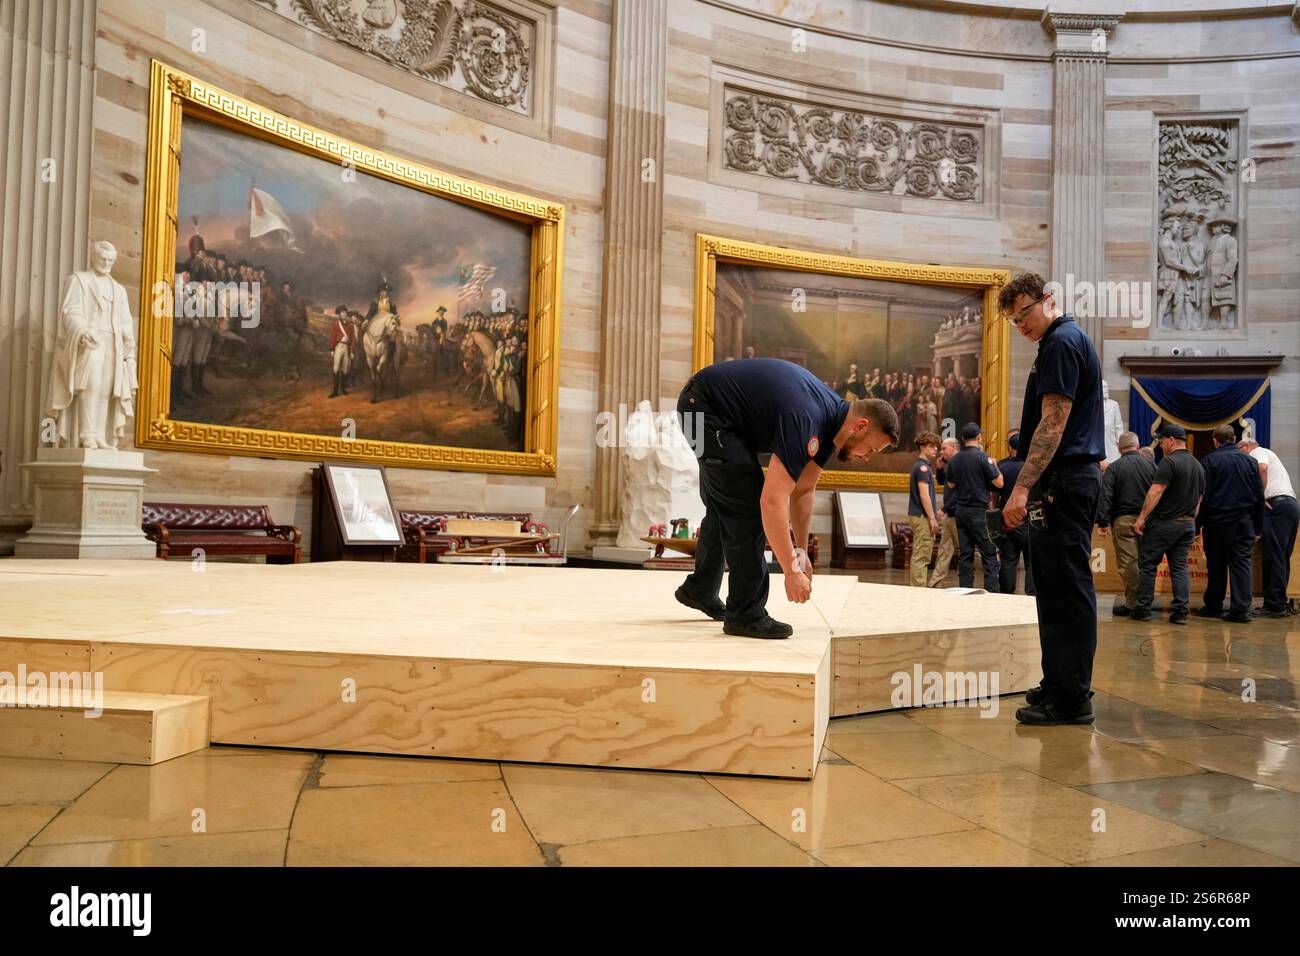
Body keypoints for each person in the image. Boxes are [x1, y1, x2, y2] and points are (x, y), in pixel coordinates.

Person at [675, 358, 898, 639]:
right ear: (861, 426)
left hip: (710, 407)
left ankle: (700, 590)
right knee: (746, 505)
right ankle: (746, 614)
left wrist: (801, 552)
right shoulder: (808, 419)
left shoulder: (830, 427)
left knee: (727, 503)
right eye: (872, 450)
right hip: (701, 409)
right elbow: (771, 501)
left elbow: (803, 491)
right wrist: (790, 571)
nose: (866, 457)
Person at [998, 272, 1105, 725]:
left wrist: (1021, 486)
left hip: (1066, 481)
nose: (1020, 326)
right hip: (1060, 482)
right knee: (1053, 588)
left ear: (1048, 300)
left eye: (1023, 315)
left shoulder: (1062, 342)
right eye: (1012, 321)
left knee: (1066, 590)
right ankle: (1059, 681)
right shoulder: (1054, 343)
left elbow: (1053, 423)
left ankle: (1072, 697)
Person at [1131, 423, 1204, 625]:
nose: (1161, 445)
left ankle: (1143, 608)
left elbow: (1156, 490)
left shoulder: (1169, 462)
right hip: (1187, 524)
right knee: (1180, 568)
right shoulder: (1198, 465)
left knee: (1147, 565)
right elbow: (1199, 500)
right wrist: (1191, 520)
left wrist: (1141, 518)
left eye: (1162, 441)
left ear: (1171, 440)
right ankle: (1180, 612)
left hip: (1164, 524)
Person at [1196, 425, 1264, 623]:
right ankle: (1241, 609)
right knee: (1241, 564)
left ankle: (1214, 606)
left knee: (1216, 564)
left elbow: (1205, 497)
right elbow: (1259, 496)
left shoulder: (1209, 461)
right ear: (1234, 438)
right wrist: (1258, 526)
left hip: (1217, 523)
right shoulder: (1251, 462)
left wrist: (1197, 524)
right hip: (1244, 522)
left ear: (1215, 441)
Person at [1096, 431, 1156, 616]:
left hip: (1123, 520)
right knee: (1144, 562)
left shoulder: (1114, 468)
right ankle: (1133, 602)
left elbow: (1106, 495)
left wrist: (1102, 521)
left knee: (1128, 563)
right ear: (1137, 446)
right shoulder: (1152, 467)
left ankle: (1141, 602)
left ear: (1119, 448)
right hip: (1149, 520)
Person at [1238, 440, 1297, 616]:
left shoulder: (1258, 452)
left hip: (1277, 507)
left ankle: (1274, 605)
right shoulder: (1269, 455)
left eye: (1241, 453)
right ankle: (1278, 601)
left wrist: (1260, 496)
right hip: (1289, 506)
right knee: (1280, 556)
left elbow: (1262, 468)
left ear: (1246, 447)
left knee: (1273, 556)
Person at [946, 423, 1003, 591]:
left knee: (965, 553)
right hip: (978, 510)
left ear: (963, 439)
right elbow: (999, 482)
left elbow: (950, 484)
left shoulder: (955, 459)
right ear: (979, 437)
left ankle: (965, 588)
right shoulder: (982, 457)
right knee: (989, 552)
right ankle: (992, 591)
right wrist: (994, 466)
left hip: (961, 510)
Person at [993, 431, 1034, 595]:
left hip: (1008, 519)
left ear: (1009, 447)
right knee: (1031, 562)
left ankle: (1007, 593)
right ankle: (1031, 596)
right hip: (1029, 519)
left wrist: (997, 514)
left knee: (1008, 560)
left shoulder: (1002, 467)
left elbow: (994, 494)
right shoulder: (1031, 468)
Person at [906, 432, 942, 588]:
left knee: (922, 553)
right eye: (931, 446)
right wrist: (932, 518)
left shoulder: (923, 466)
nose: (935, 449)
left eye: (936, 446)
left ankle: (918, 587)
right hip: (922, 516)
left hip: (920, 515)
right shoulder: (922, 468)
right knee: (921, 555)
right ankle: (918, 589)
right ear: (922, 447)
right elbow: (924, 496)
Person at [928, 437, 961, 587]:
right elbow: (942, 482)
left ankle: (993, 577)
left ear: (953, 446)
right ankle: (935, 584)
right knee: (944, 550)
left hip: (959, 513)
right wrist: (940, 468)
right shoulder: (949, 463)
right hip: (950, 514)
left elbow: (959, 492)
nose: (942, 452)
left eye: (944, 448)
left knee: (973, 551)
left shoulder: (960, 461)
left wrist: (944, 509)